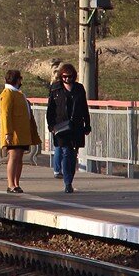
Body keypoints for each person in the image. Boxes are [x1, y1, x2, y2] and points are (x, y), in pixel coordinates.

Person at [47, 62, 91, 193]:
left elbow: (84, 108)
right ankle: (67, 183)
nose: (67, 79)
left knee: (72, 155)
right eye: (65, 76)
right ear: (61, 76)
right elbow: (50, 109)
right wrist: (51, 125)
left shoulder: (79, 89)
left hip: (76, 127)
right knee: (66, 152)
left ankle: (69, 179)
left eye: (70, 77)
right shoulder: (55, 89)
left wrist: (87, 125)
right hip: (60, 127)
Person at [0, 69, 38, 193]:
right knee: (13, 157)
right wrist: (8, 133)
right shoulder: (7, 94)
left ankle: (16, 183)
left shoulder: (18, 93)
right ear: (17, 80)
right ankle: (11, 184)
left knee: (19, 158)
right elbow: (5, 115)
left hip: (22, 133)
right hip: (14, 133)